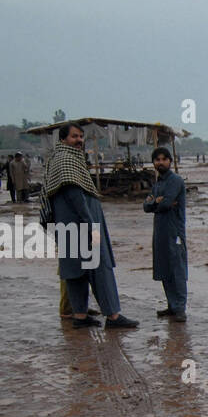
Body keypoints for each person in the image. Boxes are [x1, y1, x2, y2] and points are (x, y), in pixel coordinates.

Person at [42, 123, 137, 329]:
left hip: (68, 228)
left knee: (75, 272)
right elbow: (75, 196)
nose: (79, 140)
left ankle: (80, 316)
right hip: (81, 226)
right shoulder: (67, 160)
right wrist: (90, 225)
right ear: (63, 140)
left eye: (81, 137)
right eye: (75, 136)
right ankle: (113, 316)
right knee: (99, 269)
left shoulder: (57, 160)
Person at [143, 146, 188, 323]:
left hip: (174, 231)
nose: (160, 162)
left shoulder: (175, 180)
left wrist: (156, 202)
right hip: (160, 231)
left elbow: (165, 203)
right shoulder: (158, 183)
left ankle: (180, 308)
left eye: (163, 159)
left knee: (177, 269)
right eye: (157, 160)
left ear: (170, 161)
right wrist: (156, 201)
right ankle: (171, 305)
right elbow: (146, 206)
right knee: (164, 268)